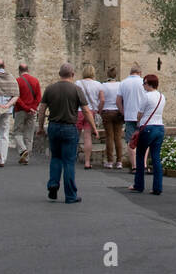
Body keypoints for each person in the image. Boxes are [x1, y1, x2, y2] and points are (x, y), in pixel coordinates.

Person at [43, 63, 96, 203]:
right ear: (72, 75)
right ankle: (70, 195)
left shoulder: (50, 89)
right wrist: (94, 127)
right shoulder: (76, 89)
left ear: (59, 74)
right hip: (69, 127)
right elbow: (86, 111)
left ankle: (53, 184)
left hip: (53, 125)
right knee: (68, 162)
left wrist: (40, 128)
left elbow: (42, 109)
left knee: (56, 158)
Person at [130, 74, 166, 195]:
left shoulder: (146, 97)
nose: (143, 86)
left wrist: (137, 123)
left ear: (149, 84)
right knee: (156, 157)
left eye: (144, 83)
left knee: (140, 155)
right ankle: (157, 187)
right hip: (160, 127)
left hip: (148, 127)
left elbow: (140, 113)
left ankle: (139, 185)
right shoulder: (162, 96)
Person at [11, 62, 42, 164]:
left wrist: (26, 107)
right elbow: (38, 97)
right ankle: (26, 158)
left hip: (20, 110)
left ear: (19, 71)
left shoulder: (17, 81)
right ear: (28, 70)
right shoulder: (35, 81)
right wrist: (33, 108)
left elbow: (16, 97)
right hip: (32, 111)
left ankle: (23, 150)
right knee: (29, 134)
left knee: (17, 131)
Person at [117, 63, 145, 172]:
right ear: (140, 72)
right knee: (143, 141)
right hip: (142, 116)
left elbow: (118, 101)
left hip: (129, 116)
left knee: (130, 141)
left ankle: (134, 166)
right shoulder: (144, 82)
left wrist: (123, 112)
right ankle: (143, 164)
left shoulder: (123, 83)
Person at [76, 64, 103, 169]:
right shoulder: (98, 84)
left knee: (75, 136)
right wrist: (98, 110)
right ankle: (87, 162)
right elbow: (102, 99)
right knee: (87, 137)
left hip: (79, 111)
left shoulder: (78, 83)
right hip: (91, 111)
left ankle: (70, 158)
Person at [98, 68, 124, 169]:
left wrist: (99, 111)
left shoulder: (103, 86)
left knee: (109, 136)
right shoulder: (120, 85)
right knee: (118, 137)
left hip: (107, 111)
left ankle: (110, 161)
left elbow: (101, 99)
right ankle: (119, 161)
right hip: (117, 112)